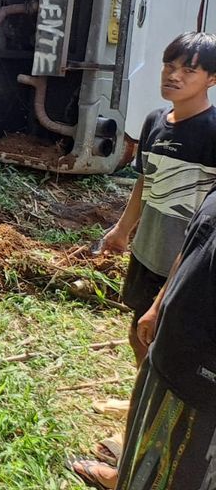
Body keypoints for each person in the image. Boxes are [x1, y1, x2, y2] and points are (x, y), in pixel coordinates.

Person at [71, 31, 216, 489]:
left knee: (165, 351)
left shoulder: (213, 133)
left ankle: (137, 457)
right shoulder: (156, 121)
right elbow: (144, 184)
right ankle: (139, 401)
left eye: (188, 69)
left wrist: (167, 296)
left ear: (211, 78)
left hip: (185, 272)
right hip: (149, 254)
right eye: (169, 65)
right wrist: (122, 229)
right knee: (140, 339)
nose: (174, 75)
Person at [104, 188, 216, 489]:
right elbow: (195, 242)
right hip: (168, 357)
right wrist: (157, 306)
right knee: (144, 462)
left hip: (203, 387)